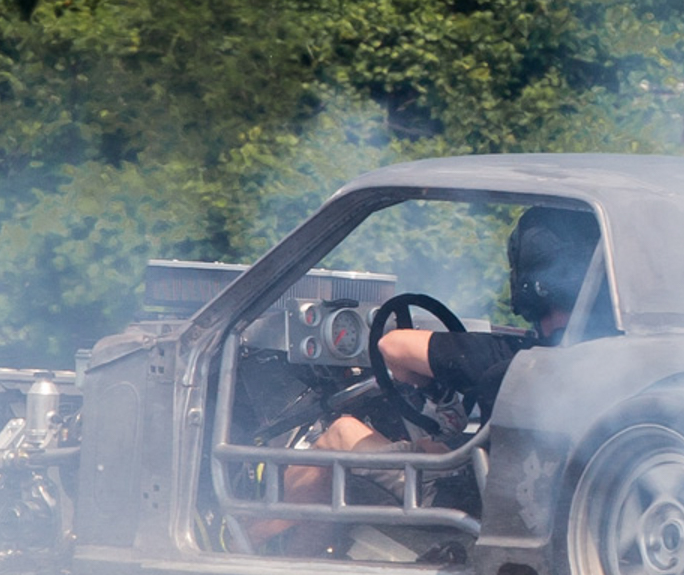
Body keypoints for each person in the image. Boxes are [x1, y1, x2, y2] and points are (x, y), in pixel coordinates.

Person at [250, 205, 601, 552]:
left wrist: (431, 384)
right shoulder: (605, 360)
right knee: (431, 446)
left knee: (341, 431)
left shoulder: (507, 357)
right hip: (527, 499)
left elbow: (393, 345)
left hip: (463, 499)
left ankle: (267, 550)